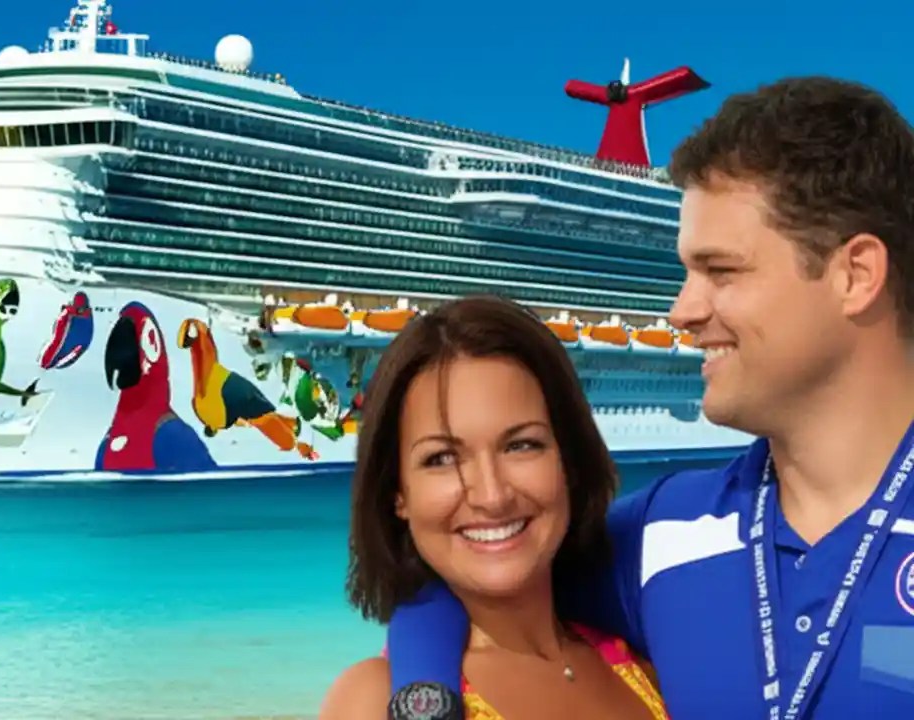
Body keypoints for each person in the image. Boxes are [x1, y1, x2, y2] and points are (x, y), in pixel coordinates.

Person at [384, 75, 914, 719]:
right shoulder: (667, 532)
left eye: (721, 271)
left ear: (854, 275)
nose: (681, 311)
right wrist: (427, 692)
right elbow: (467, 574)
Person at [318, 295, 670, 719]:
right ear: (398, 494)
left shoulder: (646, 665)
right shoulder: (377, 701)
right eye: (442, 458)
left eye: (521, 445)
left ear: (569, 464)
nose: (492, 495)